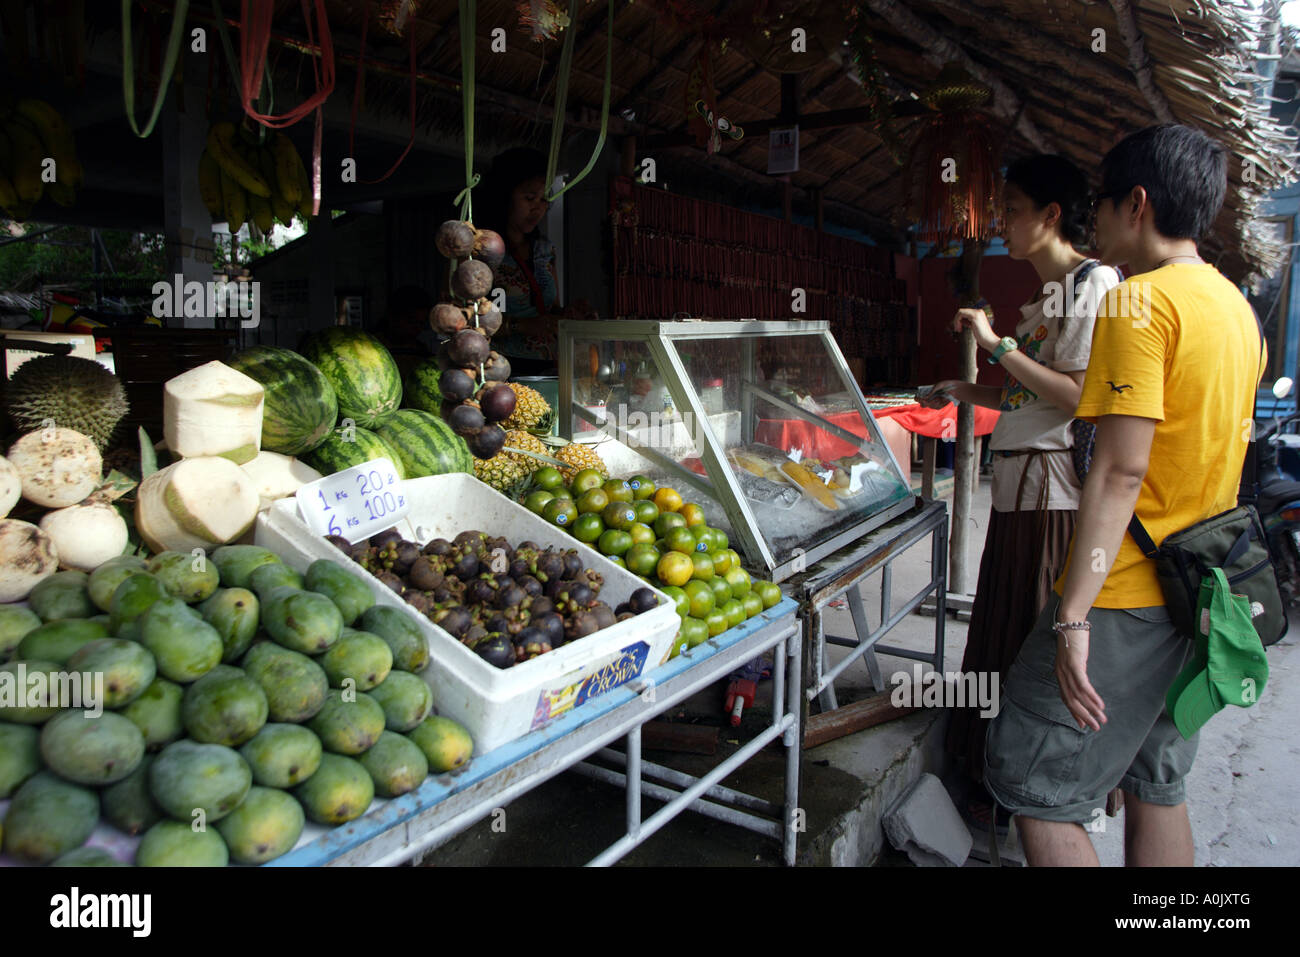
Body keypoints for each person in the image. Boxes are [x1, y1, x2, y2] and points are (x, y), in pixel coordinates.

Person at [982, 125, 1263, 866]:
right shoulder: (1236, 309)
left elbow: (1118, 471)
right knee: (1155, 779)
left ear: (1135, 204)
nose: (1092, 221)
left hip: (1126, 590)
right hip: (1201, 589)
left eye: (1100, 204)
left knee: (1034, 777)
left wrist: (1071, 617)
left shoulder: (1138, 305)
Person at [921, 155, 1120, 832]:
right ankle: (998, 782)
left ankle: (1048, 790)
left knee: (1035, 632)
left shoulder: (1093, 285)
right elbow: (1020, 390)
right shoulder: (1045, 297)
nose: (1001, 222)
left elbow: (1075, 393)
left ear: (1051, 215)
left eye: (1011, 209)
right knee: (1001, 627)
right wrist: (962, 390)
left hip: (1053, 499)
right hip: (1018, 493)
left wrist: (996, 342)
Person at [473, 147, 596, 377]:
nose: (538, 207)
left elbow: (550, 308)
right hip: (498, 369)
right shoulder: (480, 250)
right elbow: (467, 318)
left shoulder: (545, 251)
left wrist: (570, 313)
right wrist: (521, 326)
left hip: (548, 367)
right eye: (529, 198)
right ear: (504, 196)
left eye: (544, 199)